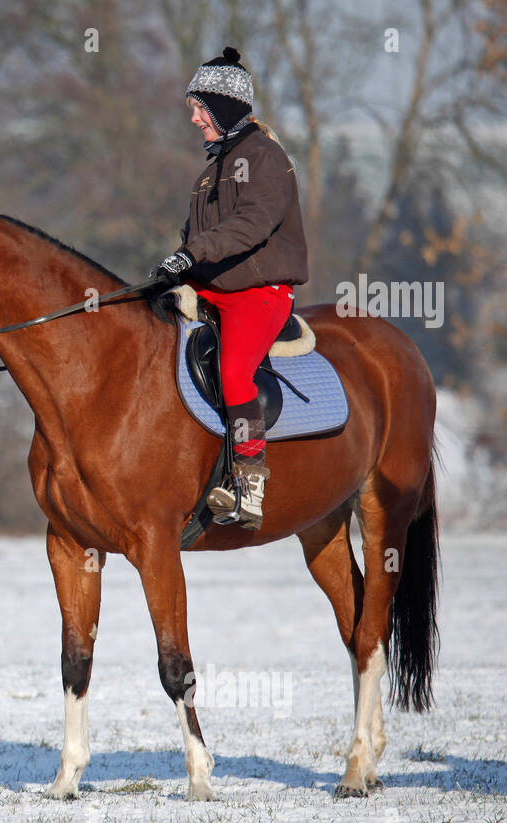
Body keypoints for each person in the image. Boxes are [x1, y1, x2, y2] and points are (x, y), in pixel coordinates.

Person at [150, 47, 309, 530]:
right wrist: (174, 269)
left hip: (259, 291)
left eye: (200, 108)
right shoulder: (209, 172)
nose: (195, 119)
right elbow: (194, 238)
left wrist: (192, 255)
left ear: (224, 106)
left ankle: (249, 480)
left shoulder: (266, 158)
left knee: (235, 369)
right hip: (212, 287)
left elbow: (250, 225)